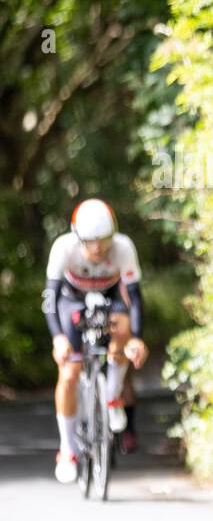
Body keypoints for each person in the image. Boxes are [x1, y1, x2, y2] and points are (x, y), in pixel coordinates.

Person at [42, 199, 149, 482]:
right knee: (69, 372)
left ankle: (112, 397)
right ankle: (68, 450)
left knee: (123, 330)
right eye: (91, 242)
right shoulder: (63, 248)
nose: (98, 248)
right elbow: (49, 298)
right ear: (79, 238)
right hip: (71, 302)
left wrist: (136, 339)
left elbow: (135, 298)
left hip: (109, 299)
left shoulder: (123, 247)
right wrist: (58, 338)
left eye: (104, 240)